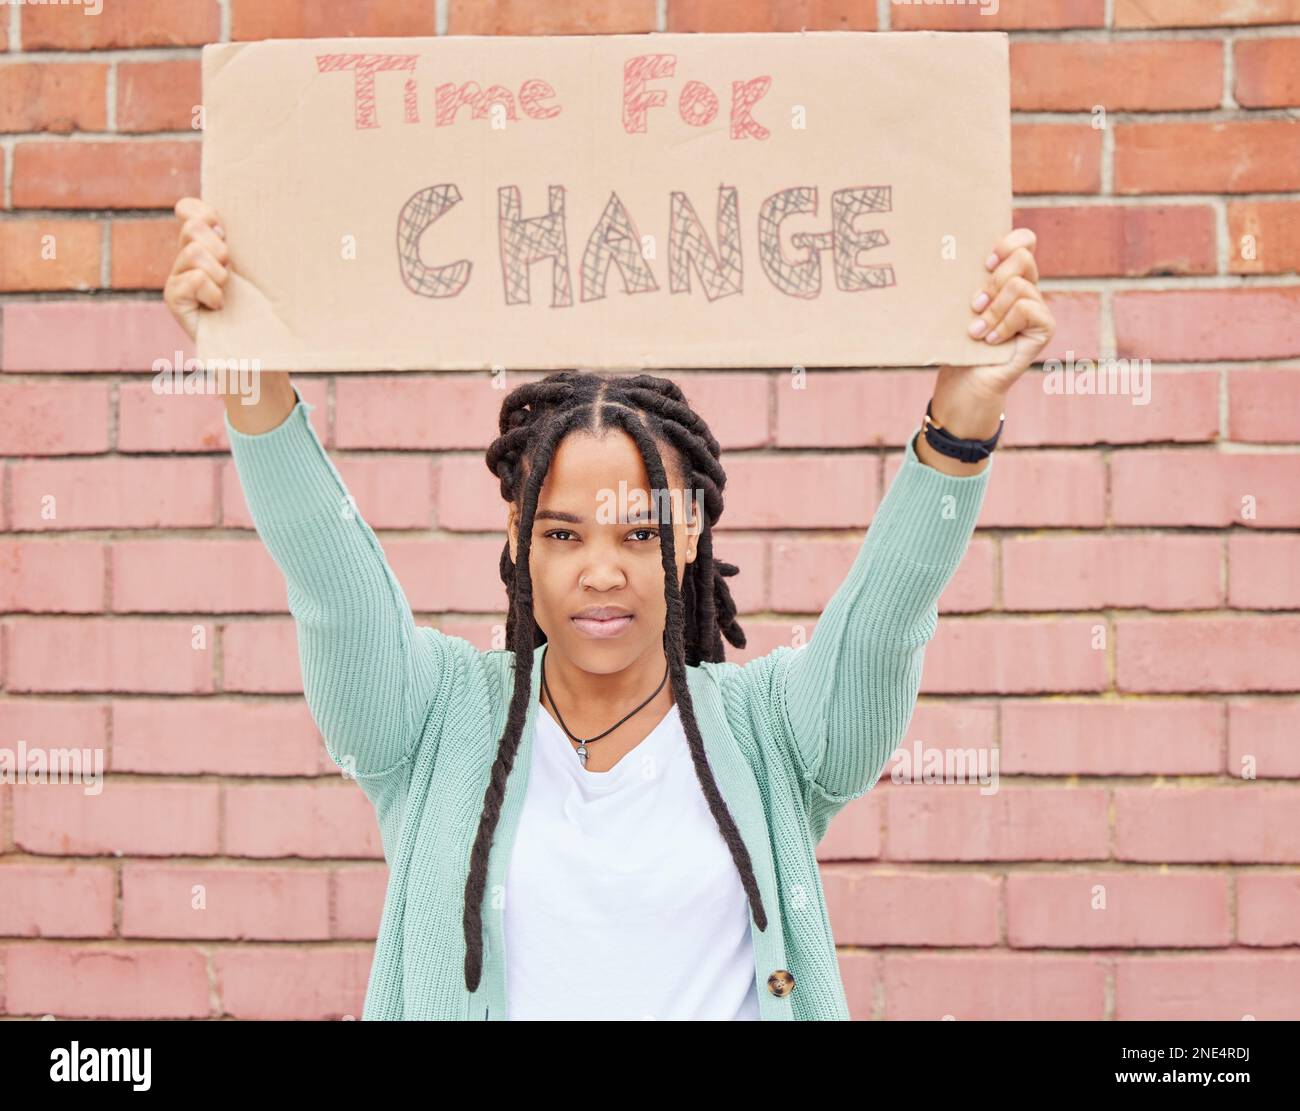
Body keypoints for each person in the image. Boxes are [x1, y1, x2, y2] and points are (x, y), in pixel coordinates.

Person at [164, 195, 1055, 1020]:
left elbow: (887, 619)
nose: (601, 572)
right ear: (516, 539)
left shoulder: (774, 733)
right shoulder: (431, 721)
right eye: (562, 535)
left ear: (692, 530)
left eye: (639, 534)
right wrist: (251, 380)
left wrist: (961, 420)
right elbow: (332, 584)